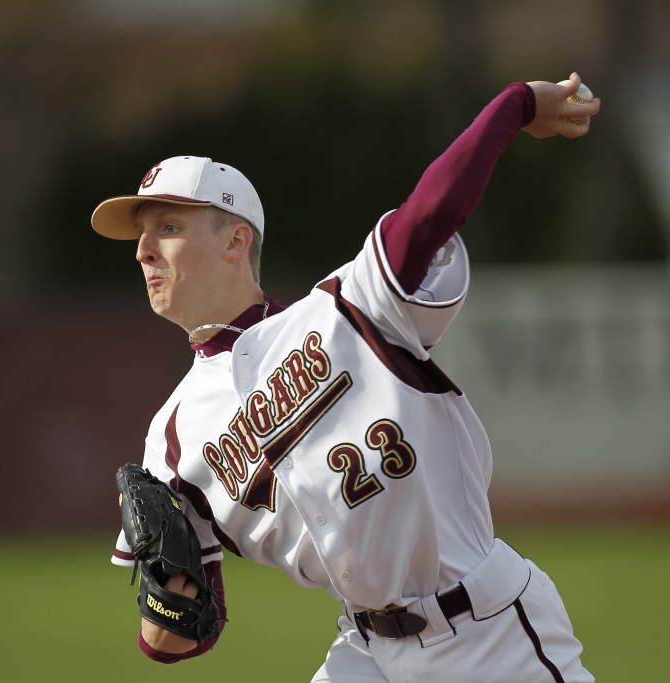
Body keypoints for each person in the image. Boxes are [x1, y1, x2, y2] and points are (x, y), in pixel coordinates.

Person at [91, 74, 599, 683]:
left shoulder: (349, 308)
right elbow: (175, 636)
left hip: (485, 633)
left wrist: (514, 106)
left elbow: (432, 212)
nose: (144, 249)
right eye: (141, 236)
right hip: (365, 652)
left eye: (167, 227)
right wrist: (166, 602)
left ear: (235, 239)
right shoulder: (171, 437)